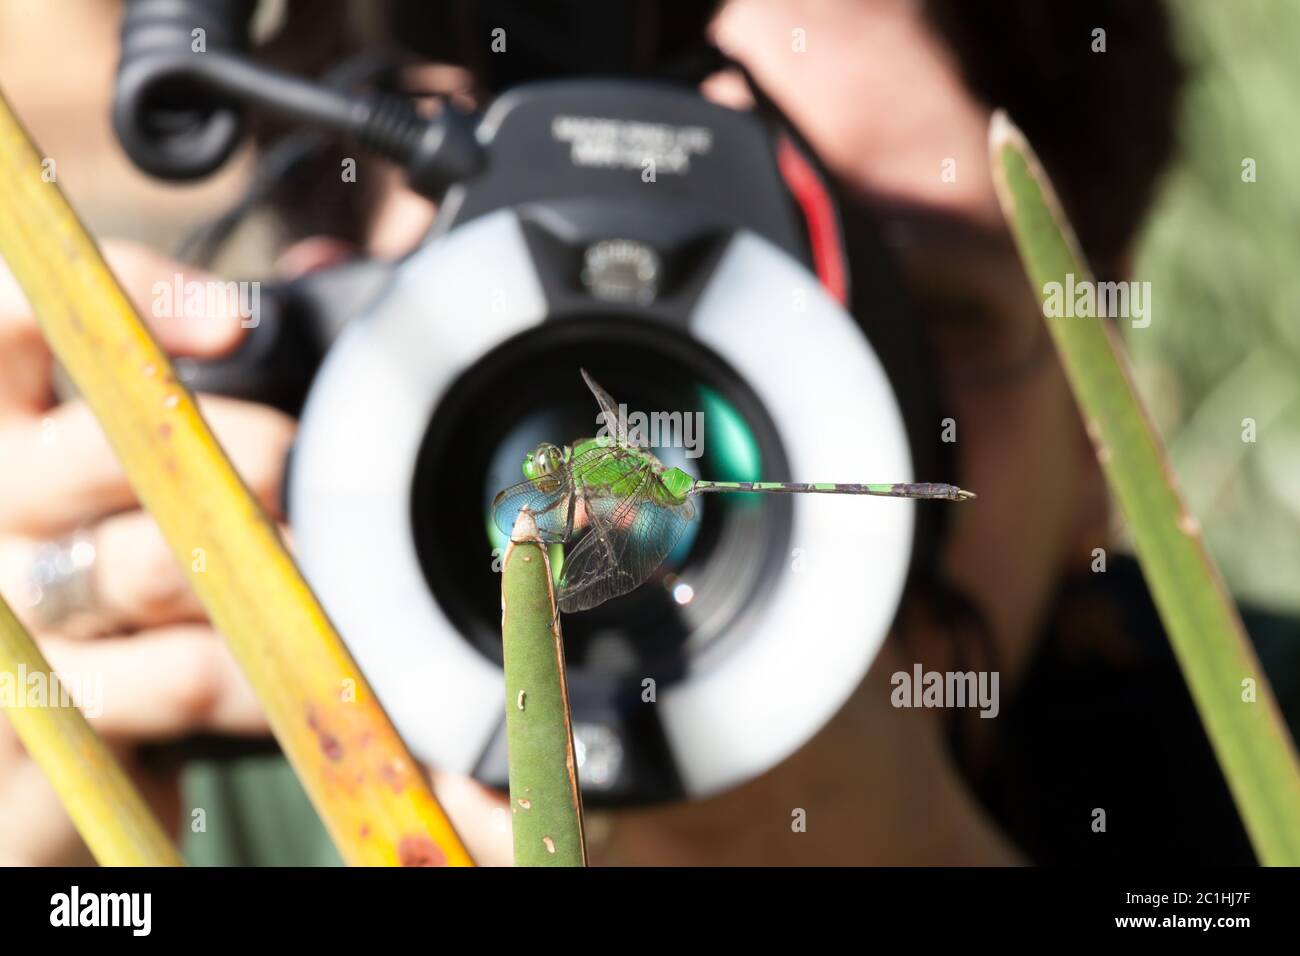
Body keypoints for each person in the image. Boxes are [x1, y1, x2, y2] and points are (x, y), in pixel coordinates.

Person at [3, 0, 1288, 866]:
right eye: (536, 309)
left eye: (913, 299)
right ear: (317, 322)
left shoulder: (1261, 764)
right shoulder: (170, 759)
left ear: (1101, 430)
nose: (779, 381)